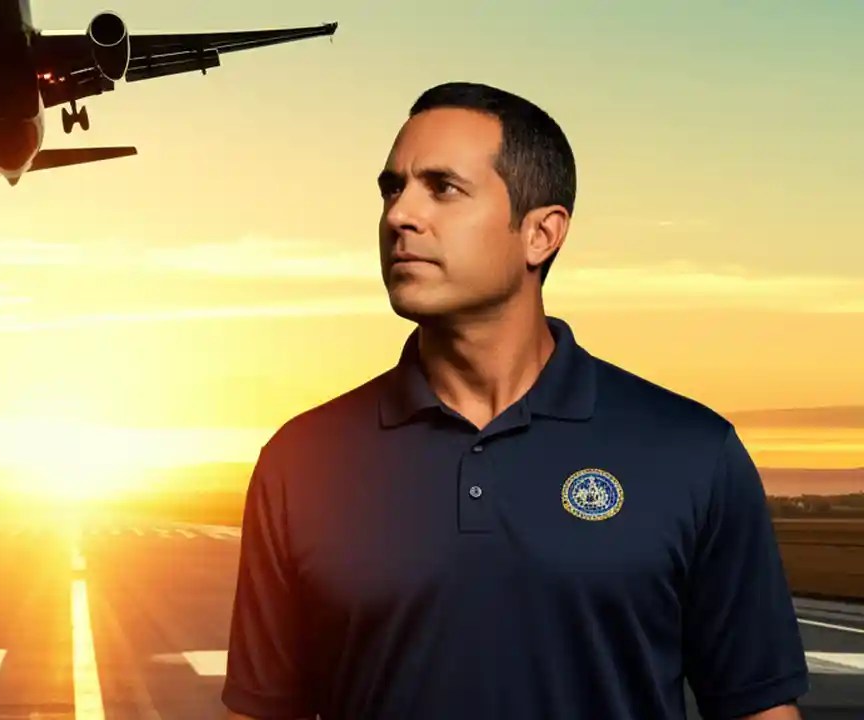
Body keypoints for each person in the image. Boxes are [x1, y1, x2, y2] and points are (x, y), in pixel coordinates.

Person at [220, 81, 809, 719]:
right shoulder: (301, 461)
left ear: (541, 234)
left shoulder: (691, 452)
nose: (399, 216)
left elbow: (759, 708)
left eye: (443, 188)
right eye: (393, 189)